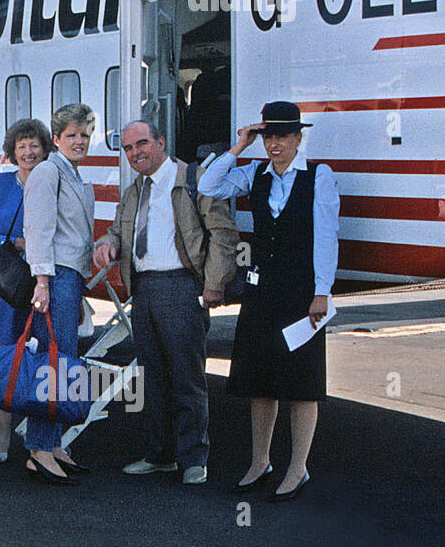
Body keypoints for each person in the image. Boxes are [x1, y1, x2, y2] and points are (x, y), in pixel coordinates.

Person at [194, 100, 339, 501]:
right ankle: (261, 462)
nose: (274, 144)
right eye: (268, 136)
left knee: (302, 382)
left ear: (298, 138)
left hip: (300, 291)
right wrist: (239, 146)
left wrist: (321, 292)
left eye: (283, 136)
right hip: (262, 289)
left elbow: (326, 236)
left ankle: (298, 467)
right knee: (259, 380)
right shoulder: (254, 172)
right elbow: (207, 185)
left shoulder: (318, 176)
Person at [93, 120, 239, 485]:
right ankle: (160, 454)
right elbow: (119, 228)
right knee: (152, 377)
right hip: (144, 289)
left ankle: (193, 458)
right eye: (127, 149)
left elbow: (223, 233)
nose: (135, 153)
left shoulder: (194, 180)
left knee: (187, 376)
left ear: (161, 142)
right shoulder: (135, 189)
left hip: (180, 286)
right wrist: (106, 244)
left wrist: (215, 284)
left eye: (141, 144)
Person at [22, 103, 96, 485]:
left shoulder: (73, 174)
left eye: (85, 134)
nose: (80, 141)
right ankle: (38, 448)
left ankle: (53, 443)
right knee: (52, 362)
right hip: (55, 279)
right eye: (72, 135)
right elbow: (38, 230)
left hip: (71, 278)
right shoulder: (48, 172)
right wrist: (42, 283)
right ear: (56, 139)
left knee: (63, 362)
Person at [0, 118, 51, 463]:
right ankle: (3, 434)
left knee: (44, 357)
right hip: (8, 287)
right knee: (7, 354)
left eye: (34, 145)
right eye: (22, 146)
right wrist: (14, 242)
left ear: (45, 150)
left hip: (47, 283)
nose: (28, 152)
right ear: (12, 152)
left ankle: (39, 438)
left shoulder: (54, 182)